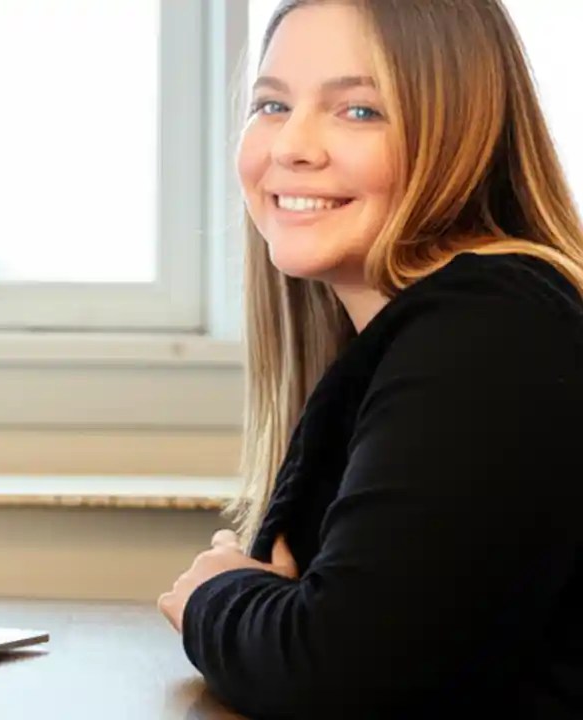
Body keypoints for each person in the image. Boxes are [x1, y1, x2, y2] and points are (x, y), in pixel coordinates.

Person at [156, 1, 583, 717]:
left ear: (462, 135)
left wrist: (214, 595)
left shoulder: (488, 330)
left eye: (358, 112)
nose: (293, 145)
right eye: (271, 104)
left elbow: (339, 674)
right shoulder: (438, 332)